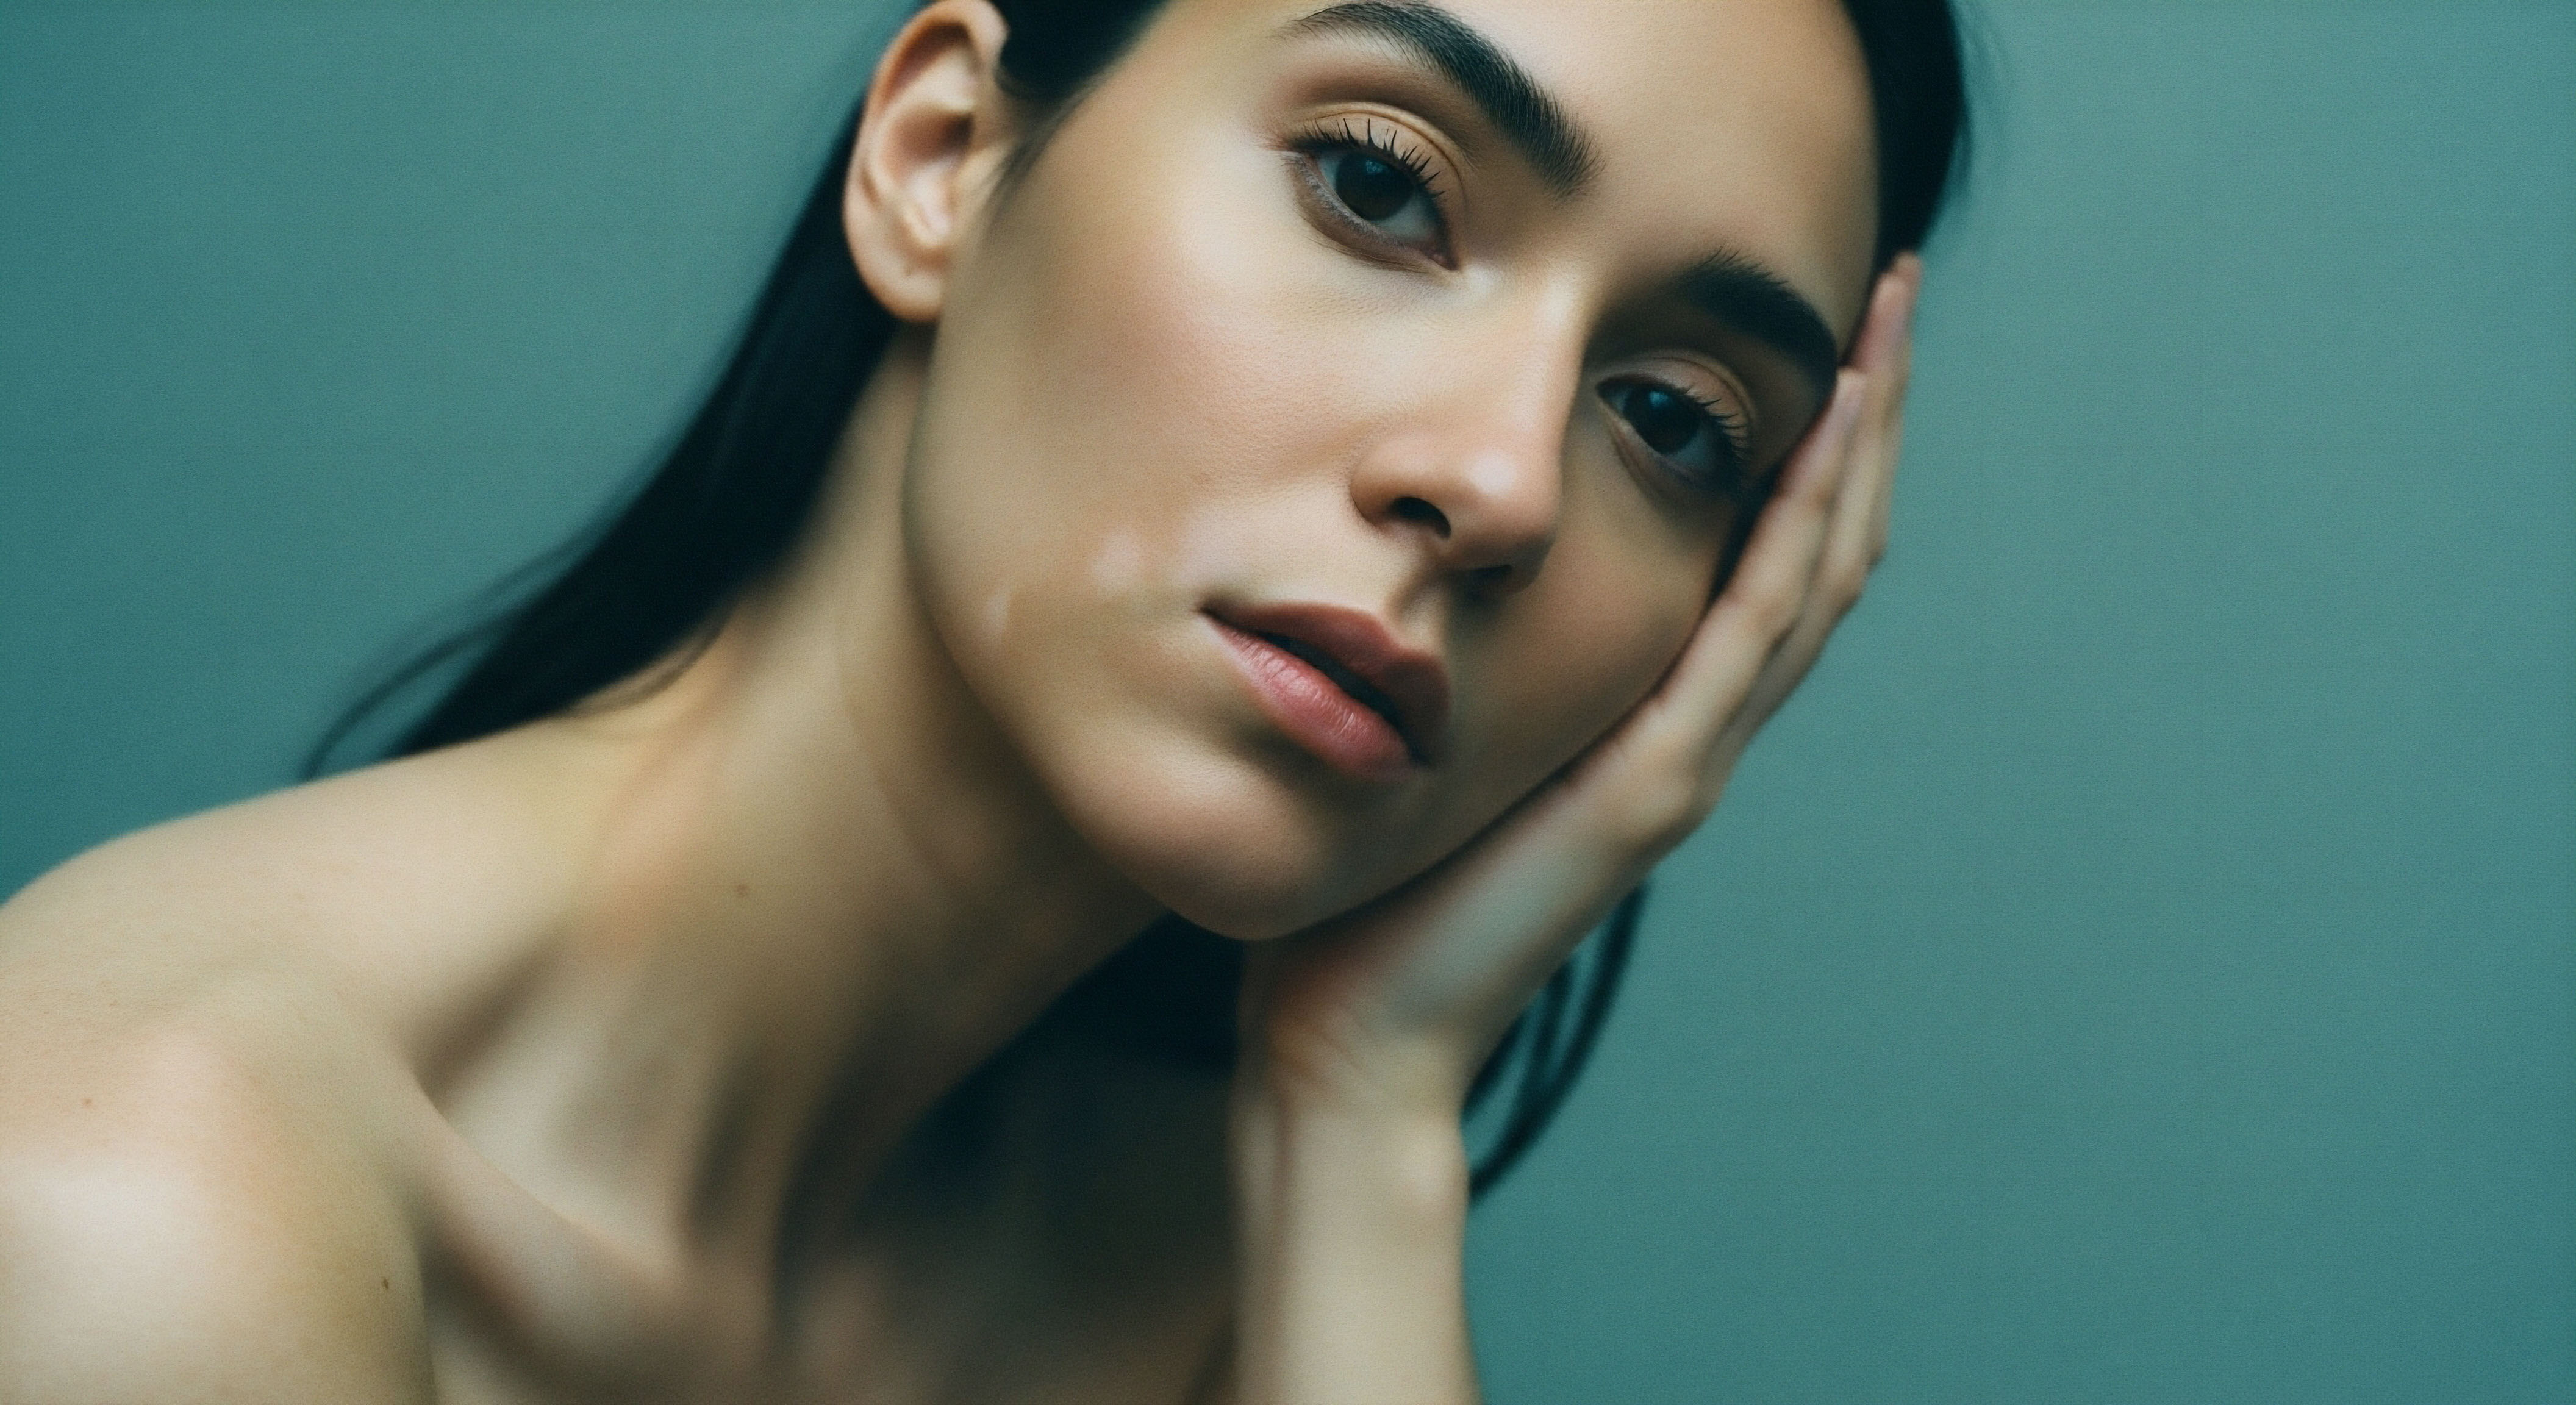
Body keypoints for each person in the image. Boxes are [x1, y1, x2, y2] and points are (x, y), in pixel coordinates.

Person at [0, 0, 1966, 1398]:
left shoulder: (1211, 1265)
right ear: (944, 158)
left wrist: (1364, 1115)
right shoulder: (135, 1211)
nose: (1507, 484)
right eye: (1380, 184)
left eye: (1675, 421)